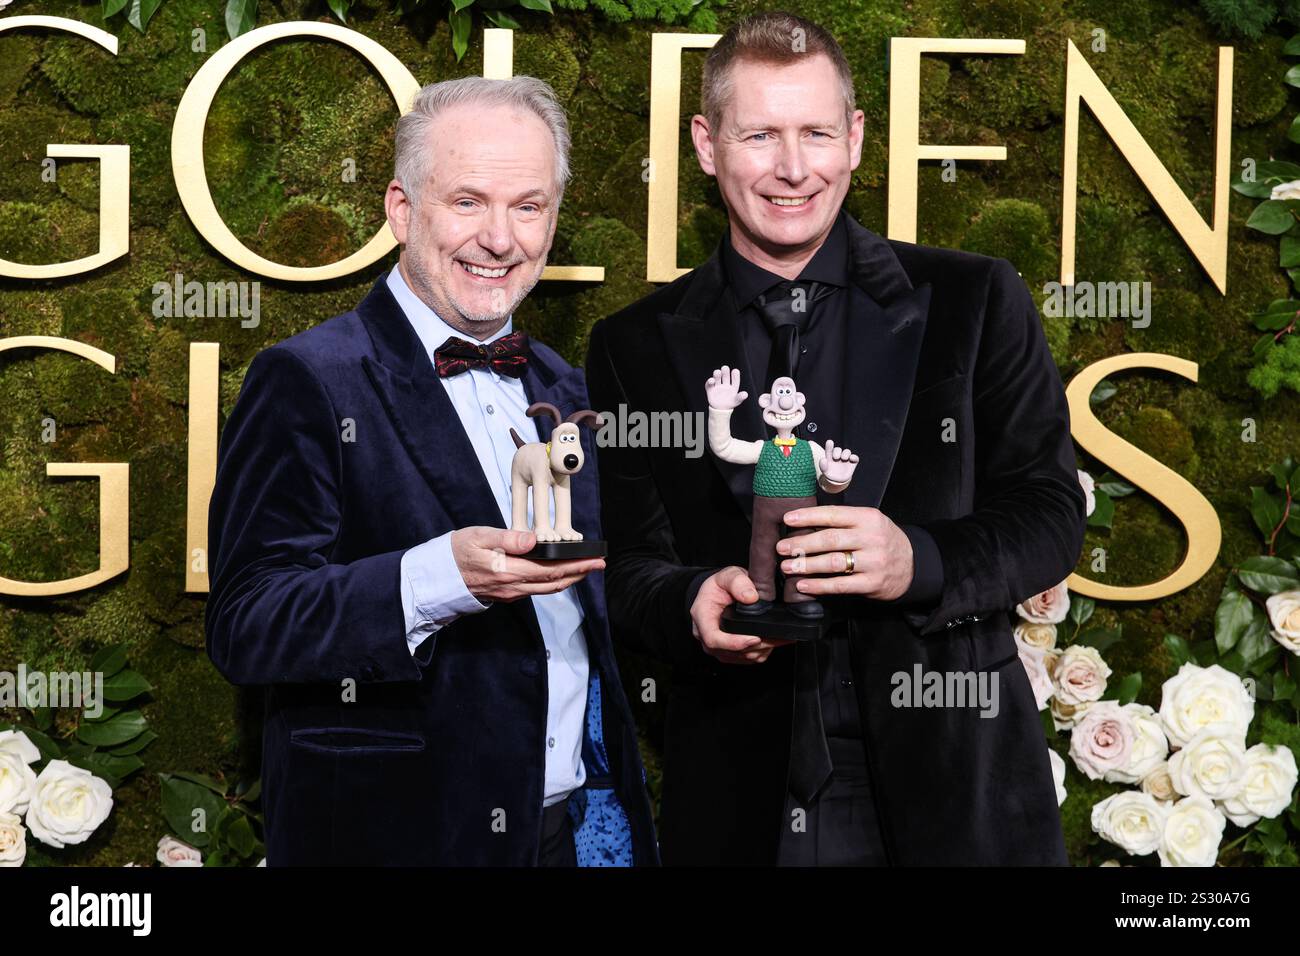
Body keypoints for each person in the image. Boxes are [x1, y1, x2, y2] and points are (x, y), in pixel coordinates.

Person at [586, 12, 1086, 865]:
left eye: (816, 132)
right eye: (760, 136)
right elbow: (627, 568)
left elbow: (1048, 515)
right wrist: (689, 603)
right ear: (706, 146)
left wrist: (916, 561)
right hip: (742, 801)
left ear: (855, 139)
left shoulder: (972, 300)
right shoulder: (634, 343)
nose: (793, 168)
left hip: (956, 795)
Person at [205, 76, 657, 866]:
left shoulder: (563, 385)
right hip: (396, 837)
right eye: (468, 202)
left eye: (529, 206)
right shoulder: (309, 378)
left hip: (571, 836)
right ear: (401, 210)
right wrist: (439, 577)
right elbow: (248, 624)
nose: (501, 238)